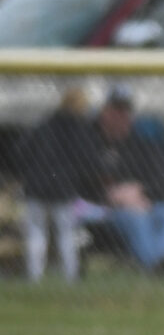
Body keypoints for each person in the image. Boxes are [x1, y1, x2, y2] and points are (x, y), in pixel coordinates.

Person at [91, 85, 164, 274]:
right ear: (105, 113)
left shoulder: (143, 145)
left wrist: (140, 191)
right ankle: (157, 268)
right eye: (116, 111)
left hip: (147, 204)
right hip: (107, 209)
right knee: (136, 218)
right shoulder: (91, 143)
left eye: (125, 111)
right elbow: (83, 179)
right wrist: (114, 195)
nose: (121, 117)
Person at [14, 88, 101, 282]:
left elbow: (21, 152)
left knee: (37, 233)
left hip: (35, 186)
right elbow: (90, 160)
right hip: (62, 189)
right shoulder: (79, 129)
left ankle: (34, 277)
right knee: (66, 234)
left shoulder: (44, 125)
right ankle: (70, 277)